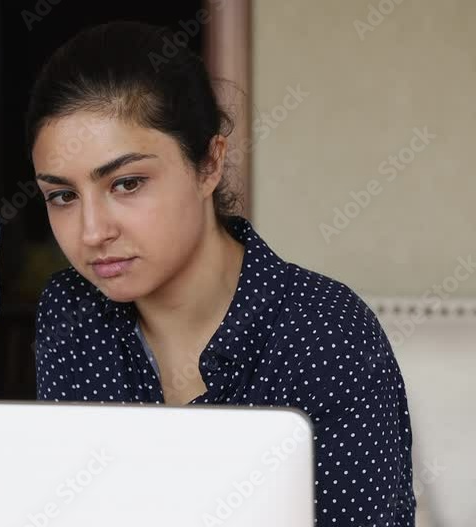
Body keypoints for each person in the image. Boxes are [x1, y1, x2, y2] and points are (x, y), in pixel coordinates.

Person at [27, 21, 415, 526]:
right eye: (63, 196)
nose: (92, 232)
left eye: (126, 184)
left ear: (209, 165)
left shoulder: (329, 333)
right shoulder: (71, 312)